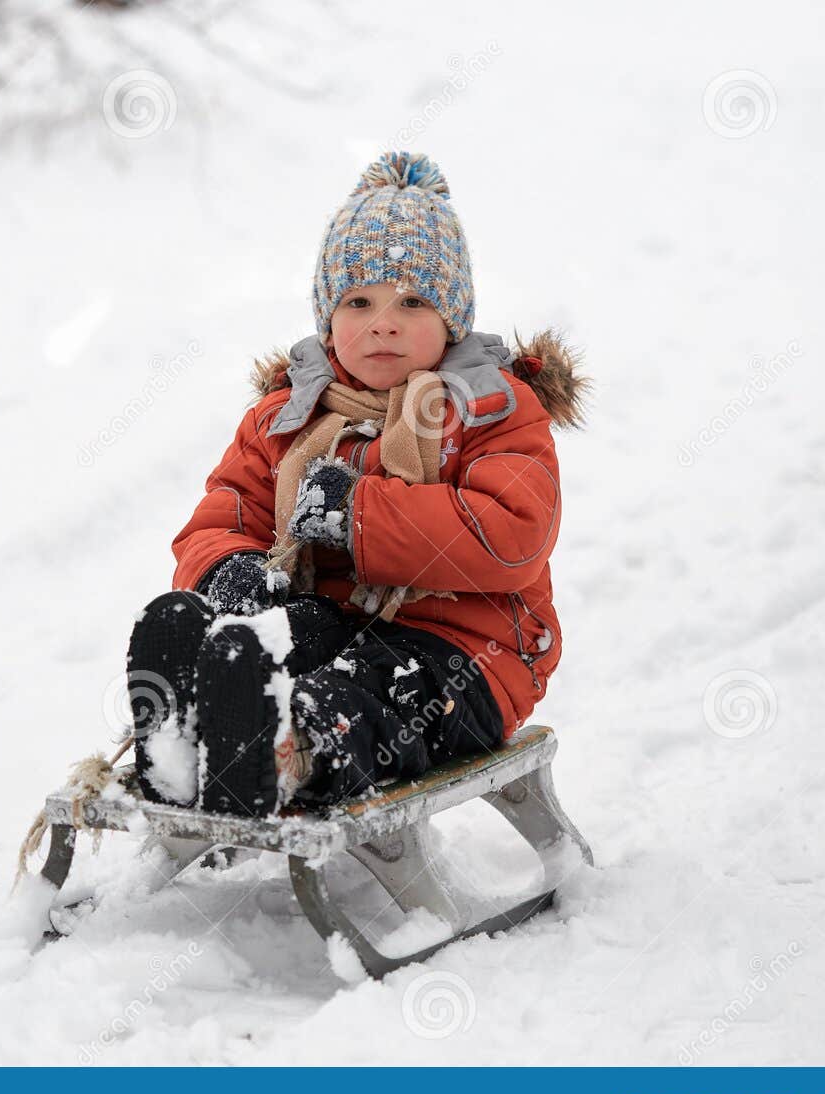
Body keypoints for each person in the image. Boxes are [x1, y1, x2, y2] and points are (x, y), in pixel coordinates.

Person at [126, 151, 587, 818]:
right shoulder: (288, 416)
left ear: (453, 318)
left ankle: (289, 747)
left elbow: (512, 534)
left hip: (465, 650)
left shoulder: (493, 406)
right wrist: (232, 569)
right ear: (327, 315)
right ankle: (193, 729)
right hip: (338, 622)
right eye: (359, 301)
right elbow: (222, 515)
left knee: (369, 689)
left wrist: (358, 514)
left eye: (413, 301)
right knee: (280, 636)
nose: (384, 322)